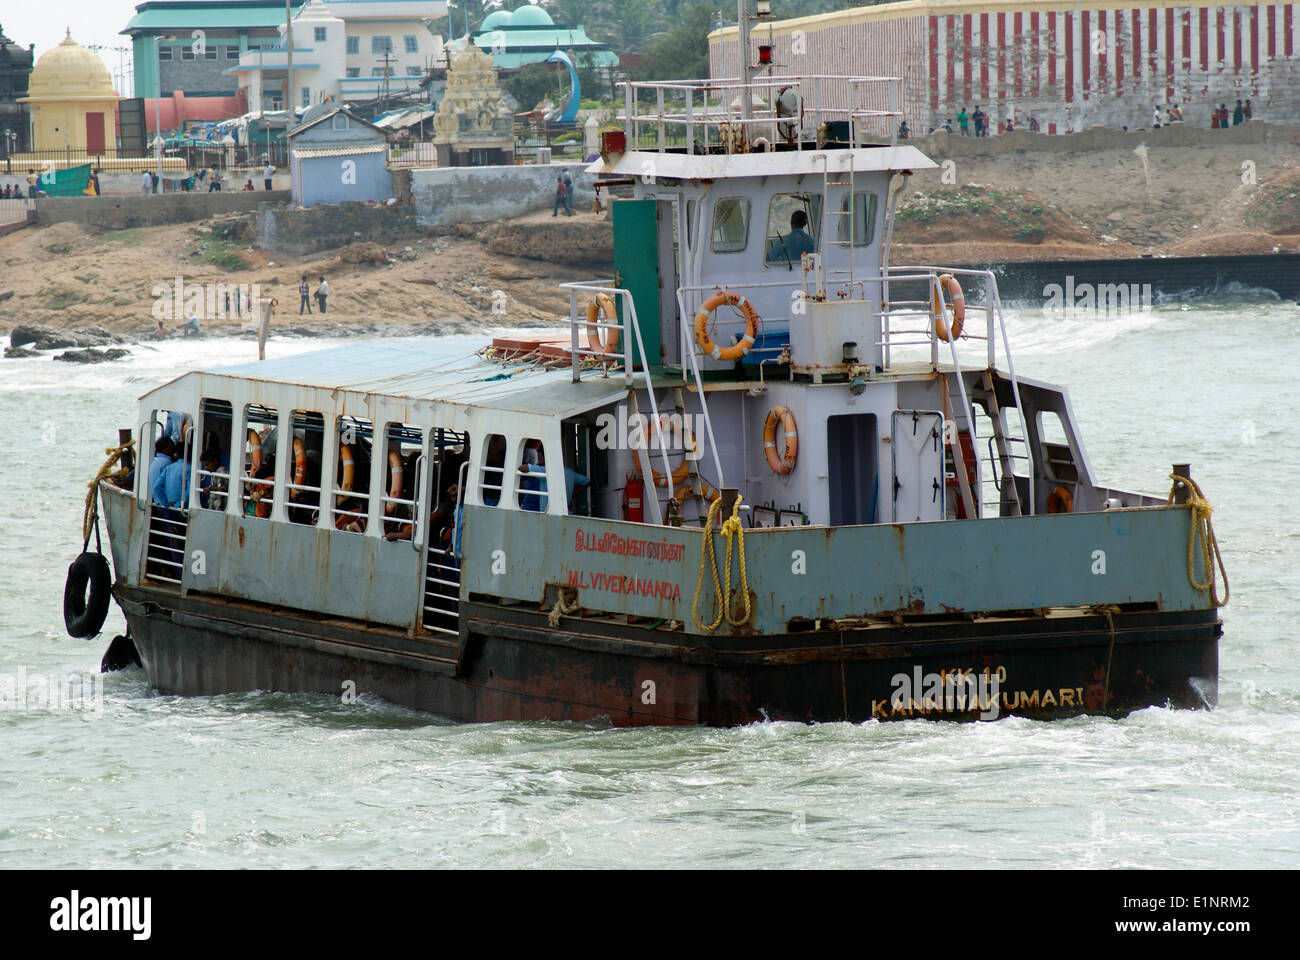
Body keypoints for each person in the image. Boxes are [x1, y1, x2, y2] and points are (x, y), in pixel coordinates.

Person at [148, 437, 175, 506]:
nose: (173, 449)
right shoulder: (167, 463)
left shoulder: (155, 462)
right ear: (164, 449)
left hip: (157, 501)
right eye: (171, 447)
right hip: (166, 502)